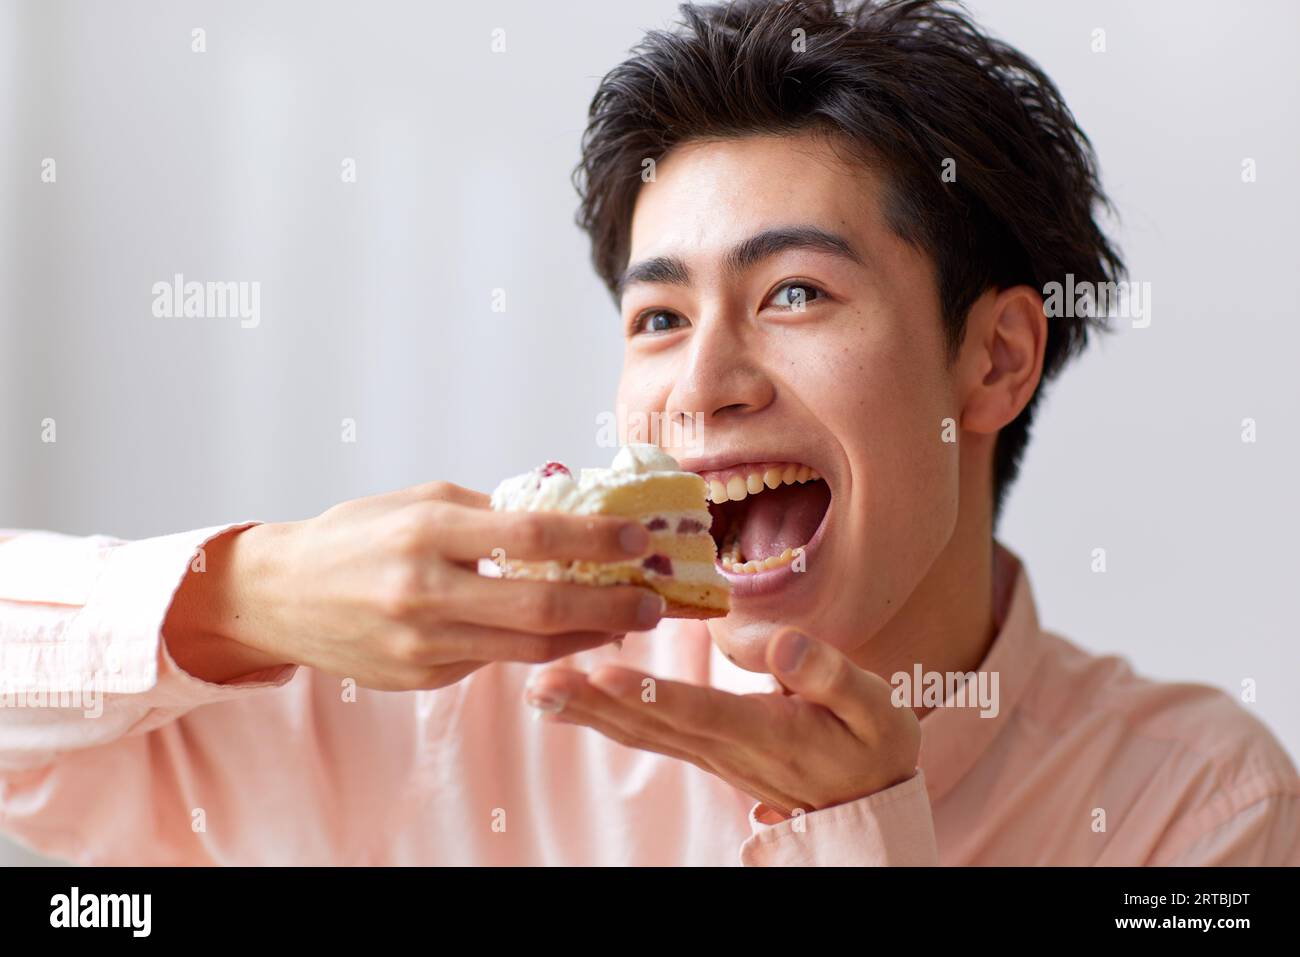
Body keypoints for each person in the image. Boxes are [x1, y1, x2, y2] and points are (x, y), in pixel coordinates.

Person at [2, 0, 1296, 866]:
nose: (704, 384)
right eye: (660, 313)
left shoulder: (1197, 806)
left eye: (794, 292)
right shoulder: (472, 699)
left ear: (996, 354)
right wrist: (247, 592)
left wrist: (850, 829)